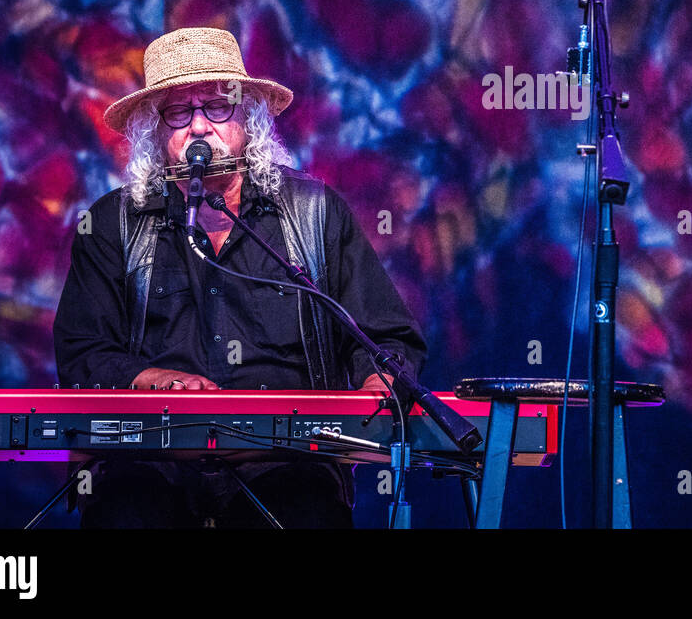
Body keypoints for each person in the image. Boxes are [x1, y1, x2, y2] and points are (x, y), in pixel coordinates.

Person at [53, 26, 426, 527]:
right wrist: (151, 379)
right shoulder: (110, 225)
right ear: (154, 131)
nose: (199, 127)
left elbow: (383, 336)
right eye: (179, 112)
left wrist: (371, 392)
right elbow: (81, 351)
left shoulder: (315, 212)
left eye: (217, 106)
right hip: (151, 463)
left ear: (248, 119)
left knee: (309, 513)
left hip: (288, 464)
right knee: (126, 511)